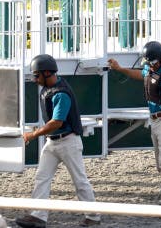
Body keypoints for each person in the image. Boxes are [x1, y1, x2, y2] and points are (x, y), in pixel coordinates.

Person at [15, 55, 101, 228]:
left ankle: (93, 216)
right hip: (53, 141)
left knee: (80, 180)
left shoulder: (61, 94)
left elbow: (56, 122)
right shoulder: (49, 88)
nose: (35, 79)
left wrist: (33, 135)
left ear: (47, 73)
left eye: (37, 75)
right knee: (42, 177)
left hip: (68, 142)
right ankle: (38, 215)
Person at [108, 41, 161, 206]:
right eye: (148, 63)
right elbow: (140, 75)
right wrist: (120, 69)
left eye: (153, 63)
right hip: (154, 120)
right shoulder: (149, 69)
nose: (151, 67)